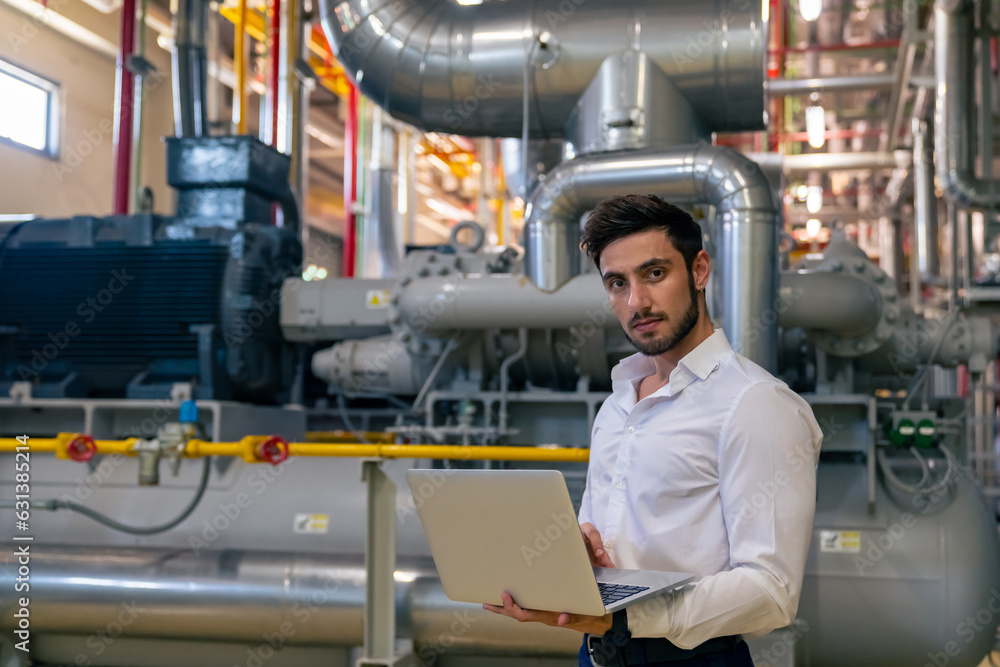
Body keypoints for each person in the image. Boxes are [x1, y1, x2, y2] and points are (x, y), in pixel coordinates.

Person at [484, 194, 822, 667]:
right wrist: (569, 564)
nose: (636, 302)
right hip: (598, 652)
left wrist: (626, 619)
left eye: (655, 274)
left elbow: (772, 591)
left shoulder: (755, 404)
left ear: (699, 270)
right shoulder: (619, 403)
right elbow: (604, 536)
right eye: (617, 283)